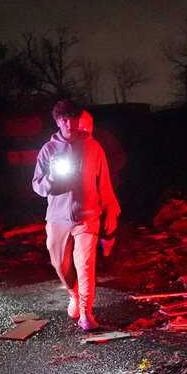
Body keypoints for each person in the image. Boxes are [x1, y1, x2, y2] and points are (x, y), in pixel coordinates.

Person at [32, 100, 120, 330]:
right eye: (63, 119)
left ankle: (86, 313)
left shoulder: (93, 147)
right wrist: (53, 178)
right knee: (60, 264)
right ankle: (74, 295)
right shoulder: (48, 150)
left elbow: (105, 183)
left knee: (85, 264)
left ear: (77, 119)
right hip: (57, 218)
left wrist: (110, 207)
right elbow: (38, 186)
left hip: (87, 215)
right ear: (57, 121)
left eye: (72, 118)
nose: (68, 123)